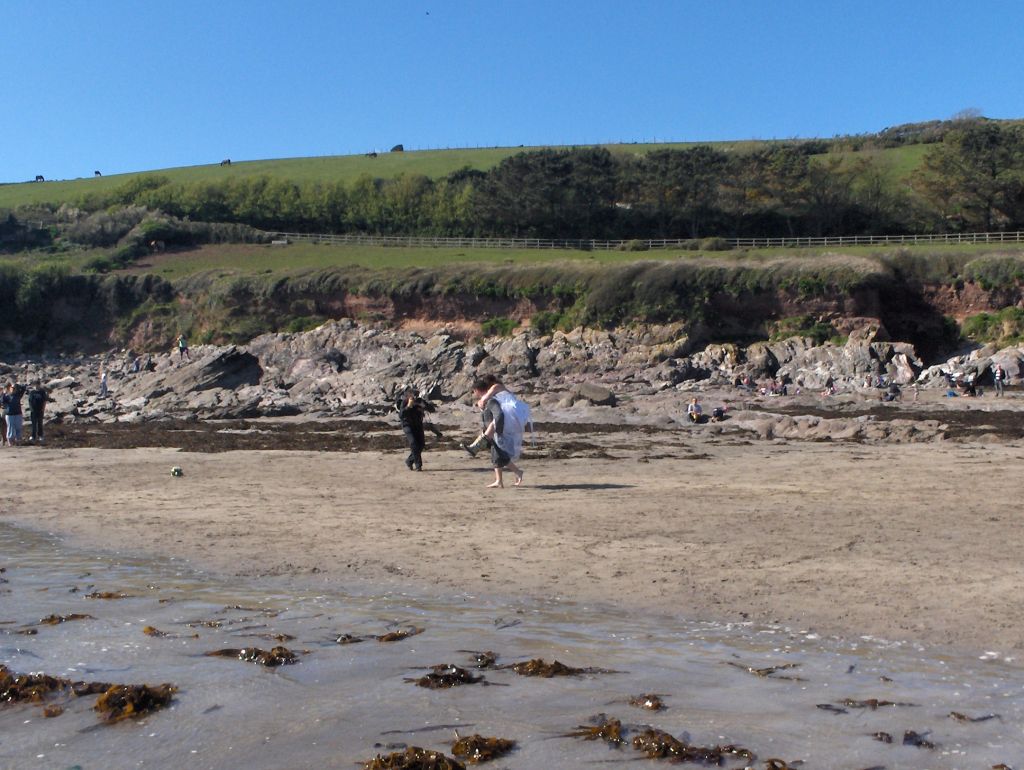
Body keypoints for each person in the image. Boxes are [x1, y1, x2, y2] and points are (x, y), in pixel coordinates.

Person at [466, 377, 525, 488]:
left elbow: (498, 414)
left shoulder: (495, 389)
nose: (474, 394)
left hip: (505, 421)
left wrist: (483, 400)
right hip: (501, 424)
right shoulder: (494, 396)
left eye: (474, 391)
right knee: (497, 454)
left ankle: (480, 442)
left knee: (498, 452)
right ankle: (502, 479)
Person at [395, 387, 440, 471]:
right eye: (411, 393)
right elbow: (401, 415)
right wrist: (408, 406)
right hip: (407, 425)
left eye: (415, 393)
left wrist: (424, 406)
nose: (413, 395)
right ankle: (418, 465)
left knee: (421, 445)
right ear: (407, 395)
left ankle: (409, 461)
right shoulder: (404, 402)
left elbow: (432, 409)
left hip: (418, 425)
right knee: (413, 443)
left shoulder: (419, 401)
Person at [2, 382, 26, 446]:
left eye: (14, 388)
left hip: (18, 413)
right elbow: (2, 401)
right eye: (12, 388)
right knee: (10, 427)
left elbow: (23, 388)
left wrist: (19, 384)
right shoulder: (7, 396)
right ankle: (10, 440)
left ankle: (18, 440)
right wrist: (4, 393)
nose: (13, 389)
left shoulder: (18, 395)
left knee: (18, 427)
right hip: (9, 414)